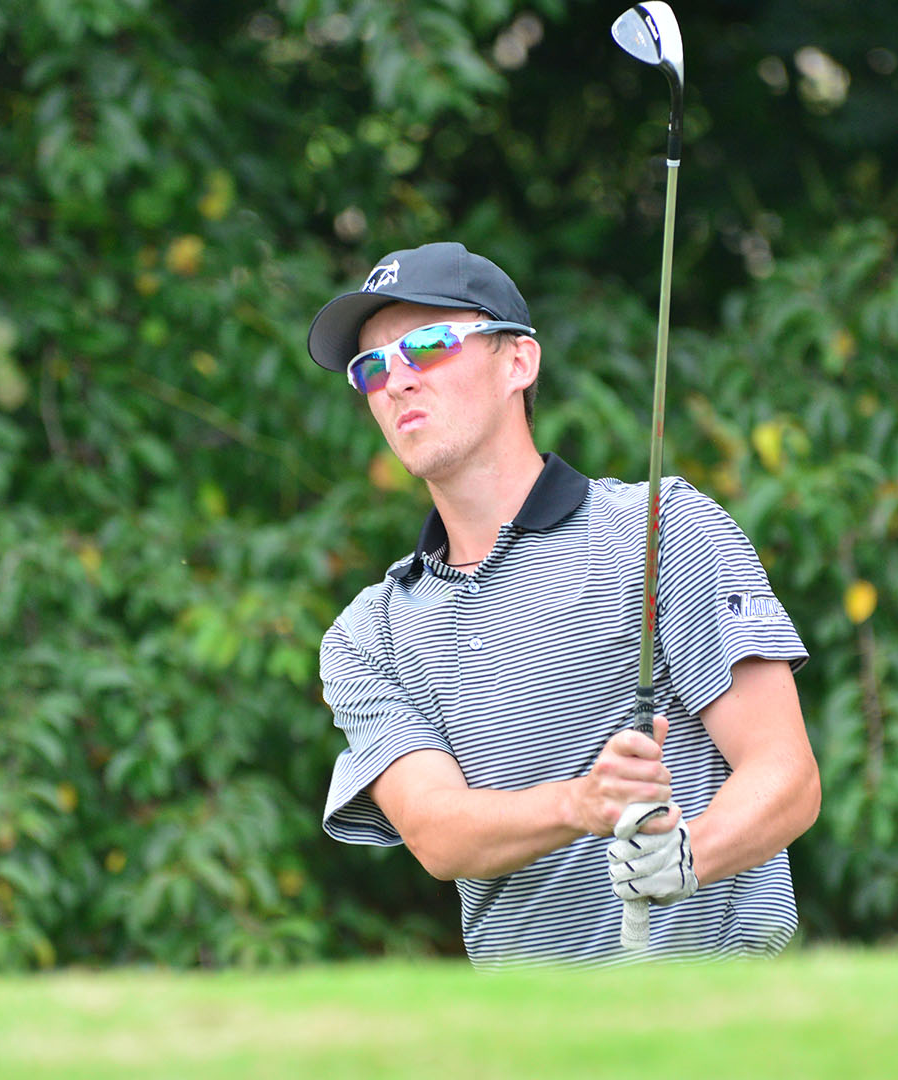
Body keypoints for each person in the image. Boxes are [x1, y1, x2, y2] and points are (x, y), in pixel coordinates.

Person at [308, 241, 820, 967]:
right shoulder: (369, 634)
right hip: (534, 1036)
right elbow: (438, 833)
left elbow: (787, 778)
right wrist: (582, 804)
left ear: (518, 362)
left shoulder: (663, 528)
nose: (396, 382)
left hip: (720, 1006)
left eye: (425, 346)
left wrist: (687, 854)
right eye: (371, 367)